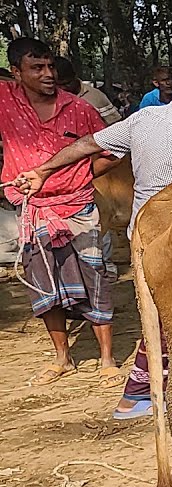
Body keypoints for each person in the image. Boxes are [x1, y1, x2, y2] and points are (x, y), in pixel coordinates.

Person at [16, 75, 172, 419]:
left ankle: (160, 390)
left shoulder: (145, 117)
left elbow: (87, 144)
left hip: (142, 235)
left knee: (163, 316)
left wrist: (43, 170)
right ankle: (138, 393)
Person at [0, 38, 121, 388]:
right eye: (37, 68)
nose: (48, 74)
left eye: (51, 66)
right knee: (44, 284)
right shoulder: (5, 101)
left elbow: (113, 150)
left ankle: (108, 360)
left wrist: (81, 175)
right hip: (32, 210)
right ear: (15, 73)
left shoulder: (80, 109)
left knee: (94, 276)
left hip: (78, 206)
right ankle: (62, 358)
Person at [54, 57, 121, 125]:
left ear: (75, 76)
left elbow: (115, 126)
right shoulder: (51, 99)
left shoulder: (96, 97)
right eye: (57, 85)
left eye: (67, 84)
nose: (63, 88)